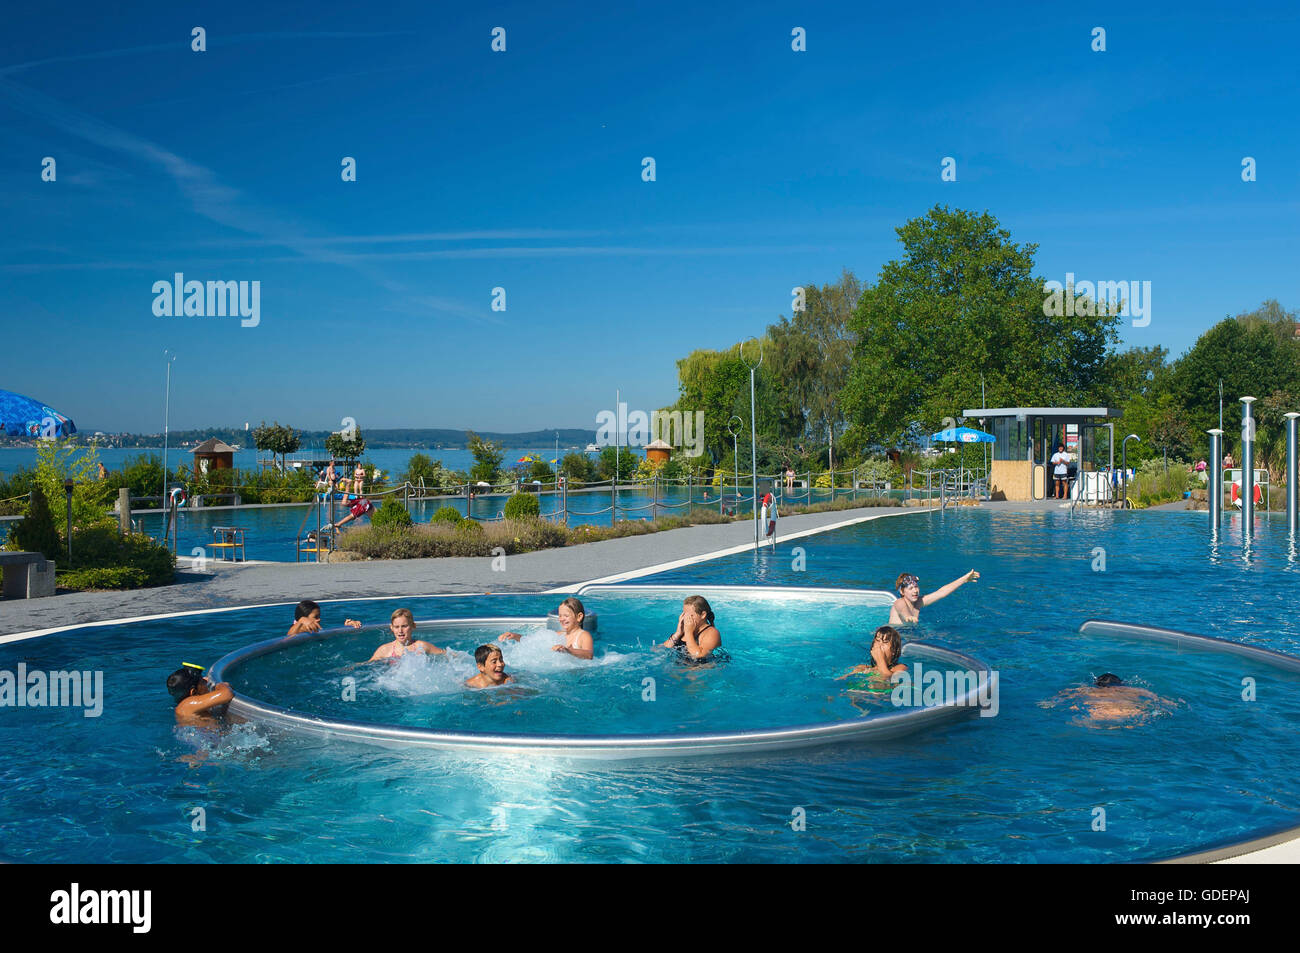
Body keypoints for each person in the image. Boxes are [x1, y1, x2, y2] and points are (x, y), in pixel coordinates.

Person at [1040, 674, 1173, 726]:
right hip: (1131, 714)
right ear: (1121, 684)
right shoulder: (1134, 690)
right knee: (1149, 713)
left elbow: (1064, 694)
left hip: (1098, 714)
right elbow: (1159, 699)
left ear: (1096, 684)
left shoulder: (1087, 690)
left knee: (1075, 720)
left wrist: (1051, 702)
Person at [499, 597, 593, 659]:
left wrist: (568, 650)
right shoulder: (559, 634)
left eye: (566, 615)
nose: (562, 619)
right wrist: (515, 636)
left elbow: (589, 655)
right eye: (560, 616)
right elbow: (532, 642)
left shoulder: (583, 636)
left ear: (579, 617)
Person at [888, 570, 980, 624]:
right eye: (911, 588)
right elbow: (903, 611)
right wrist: (908, 617)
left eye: (916, 587)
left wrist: (964, 579)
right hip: (893, 636)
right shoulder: (899, 602)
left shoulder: (918, 602)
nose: (915, 591)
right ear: (902, 591)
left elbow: (941, 592)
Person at [367, 608, 447, 661]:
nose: (400, 630)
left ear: (413, 626)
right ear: (392, 628)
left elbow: (447, 655)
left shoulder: (421, 646)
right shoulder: (385, 650)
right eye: (396, 627)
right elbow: (368, 664)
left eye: (404, 626)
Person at [167, 663, 233, 727]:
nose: (206, 680)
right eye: (202, 681)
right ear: (193, 692)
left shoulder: (184, 706)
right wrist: (220, 685)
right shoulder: (188, 704)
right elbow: (227, 693)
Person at [836, 625, 907, 683]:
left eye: (885, 642)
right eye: (878, 641)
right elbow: (841, 680)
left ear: (894, 650)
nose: (880, 645)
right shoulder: (863, 668)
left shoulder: (899, 667)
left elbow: (889, 679)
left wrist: (880, 659)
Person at [660, 594, 721, 660]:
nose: (685, 618)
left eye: (690, 615)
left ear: (703, 615)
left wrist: (689, 632)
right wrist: (678, 633)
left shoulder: (712, 633)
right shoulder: (684, 630)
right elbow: (662, 649)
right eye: (684, 614)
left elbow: (698, 655)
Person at [286, 599, 362, 637]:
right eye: (316, 617)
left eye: (319, 616)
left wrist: (347, 626)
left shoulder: (315, 629)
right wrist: (301, 620)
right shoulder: (298, 631)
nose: (319, 619)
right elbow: (288, 637)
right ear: (305, 619)